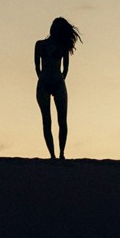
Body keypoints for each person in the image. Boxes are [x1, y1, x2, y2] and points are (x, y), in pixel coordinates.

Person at [34, 16, 79, 159]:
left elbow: (66, 68)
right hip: (44, 84)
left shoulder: (63, 48)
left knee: (62, 121)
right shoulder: (39, 45)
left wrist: (60, 80)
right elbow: (37, 66)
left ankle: (61, 153)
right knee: (46, 120)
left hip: (58, 84)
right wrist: (43, 78)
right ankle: (52, 155)